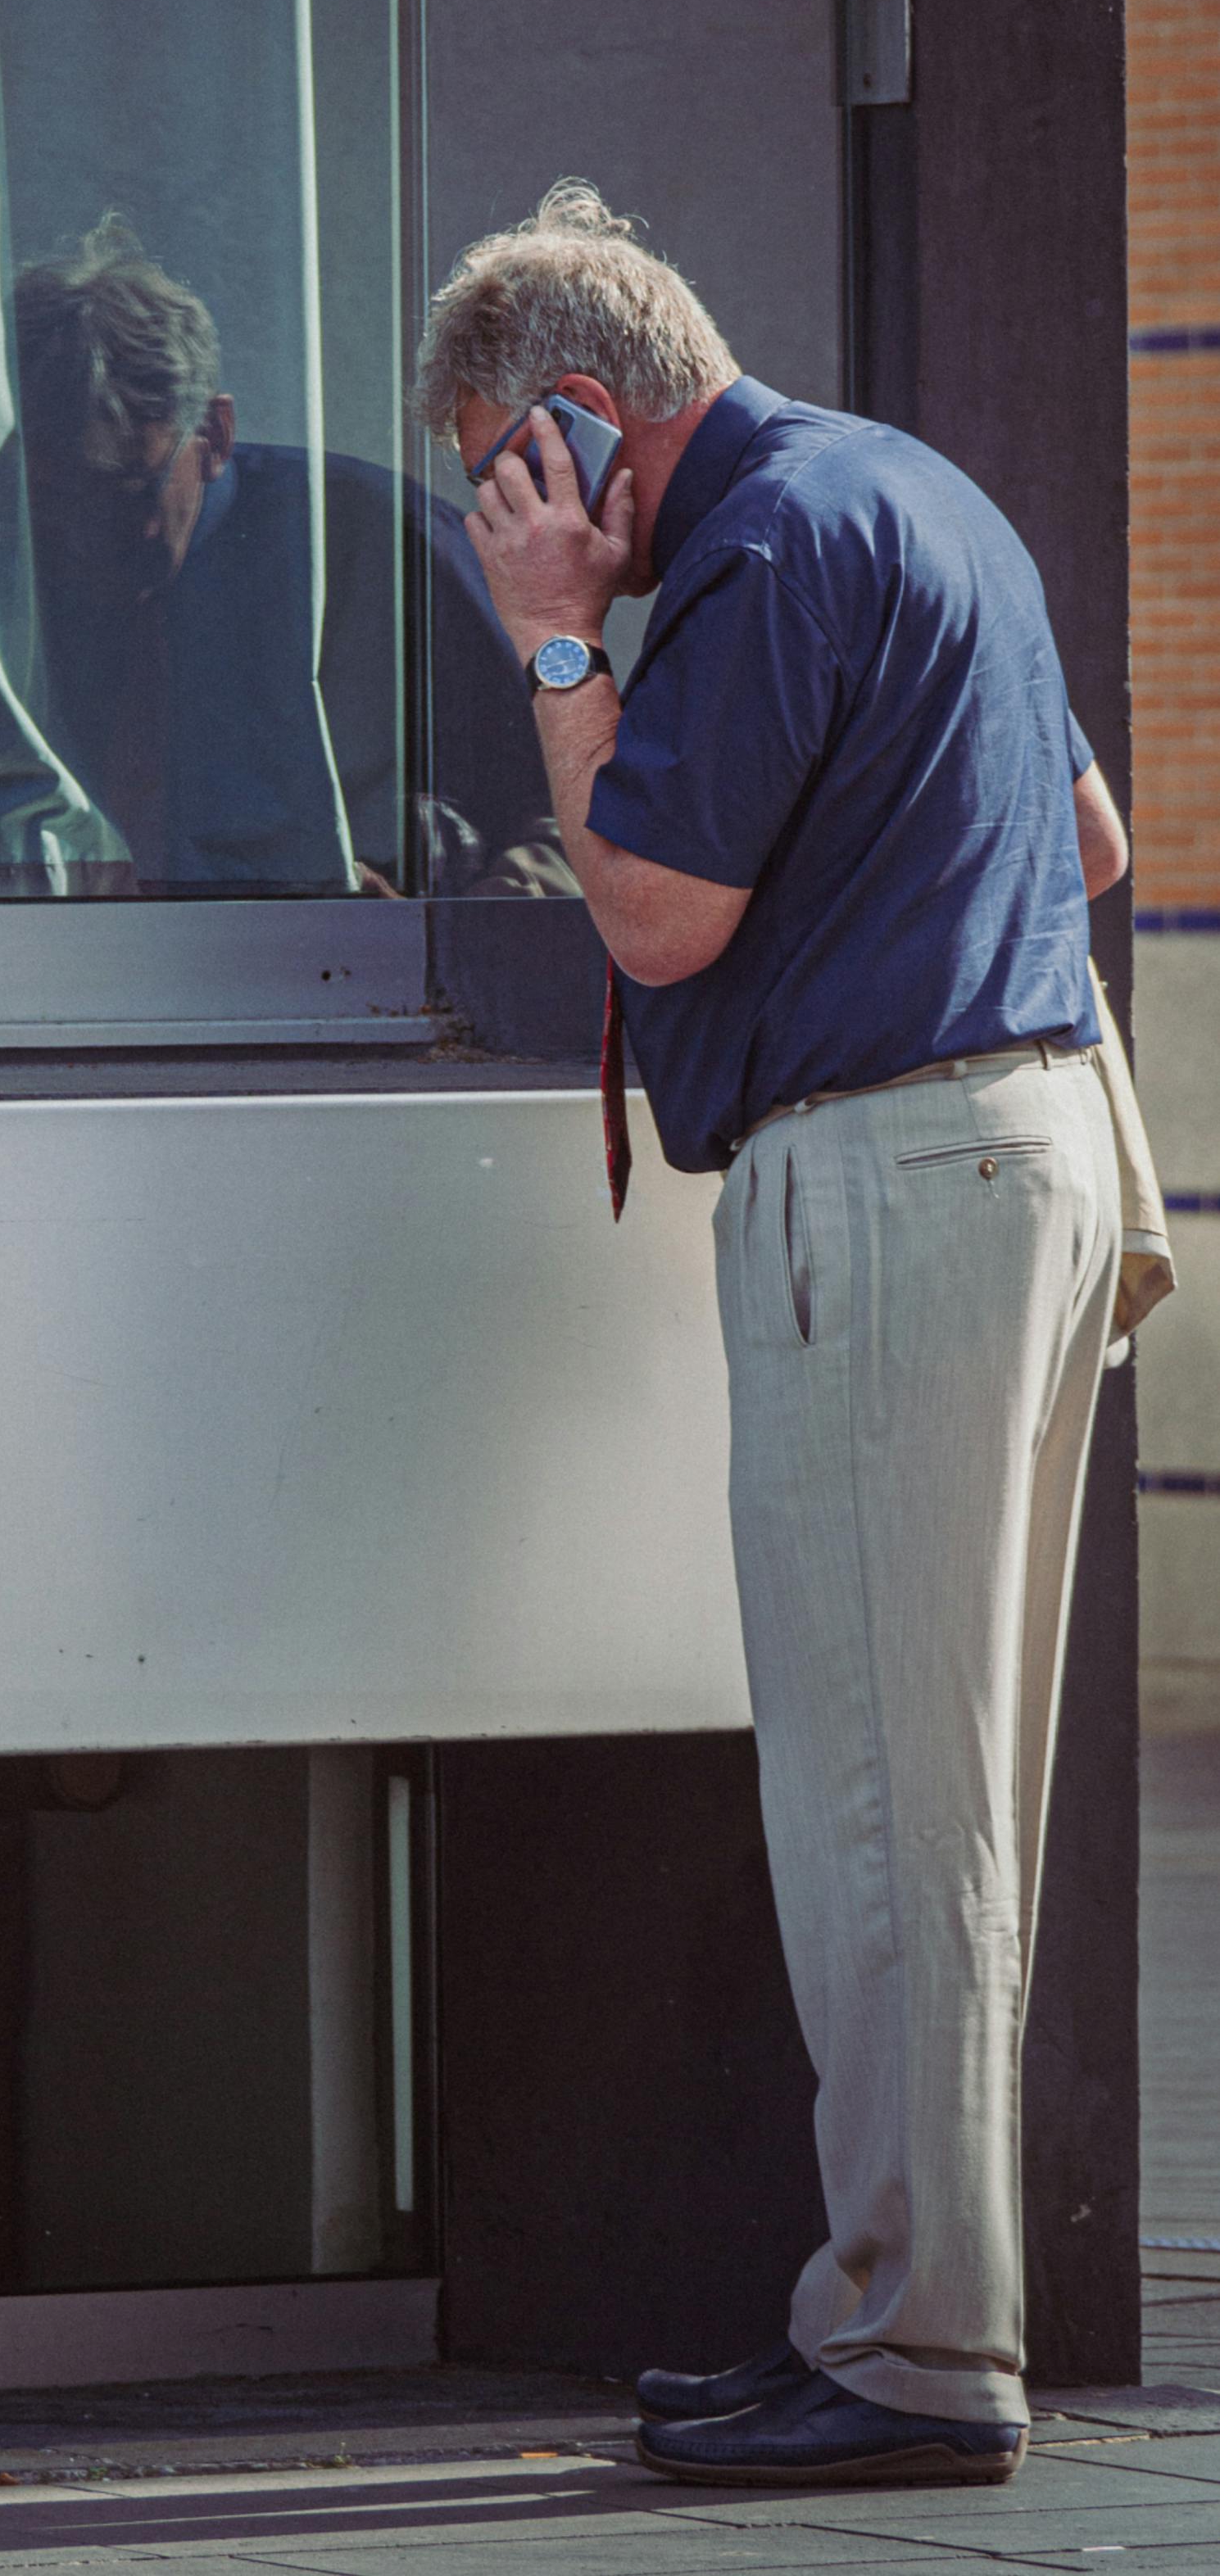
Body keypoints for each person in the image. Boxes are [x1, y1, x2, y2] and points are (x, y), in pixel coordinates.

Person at [417, 183, 1129, 2490]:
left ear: (573, 429)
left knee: (874, 1812)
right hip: (1031, 1155)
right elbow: (1095, 846)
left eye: (498, 479)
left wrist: (551, 646)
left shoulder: (734, 555)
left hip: (898, 1189)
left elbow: (646, 909)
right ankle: (903, 2311)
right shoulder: (908, 490)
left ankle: (916, 2357)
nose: (503, 525)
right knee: (942, 1803)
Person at [0, 217, 566, 902]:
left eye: (119, 496)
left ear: (215, 433)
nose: (79, 542)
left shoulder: (382, 548)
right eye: (49, 505)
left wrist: (429, 936)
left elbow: (574, 812)